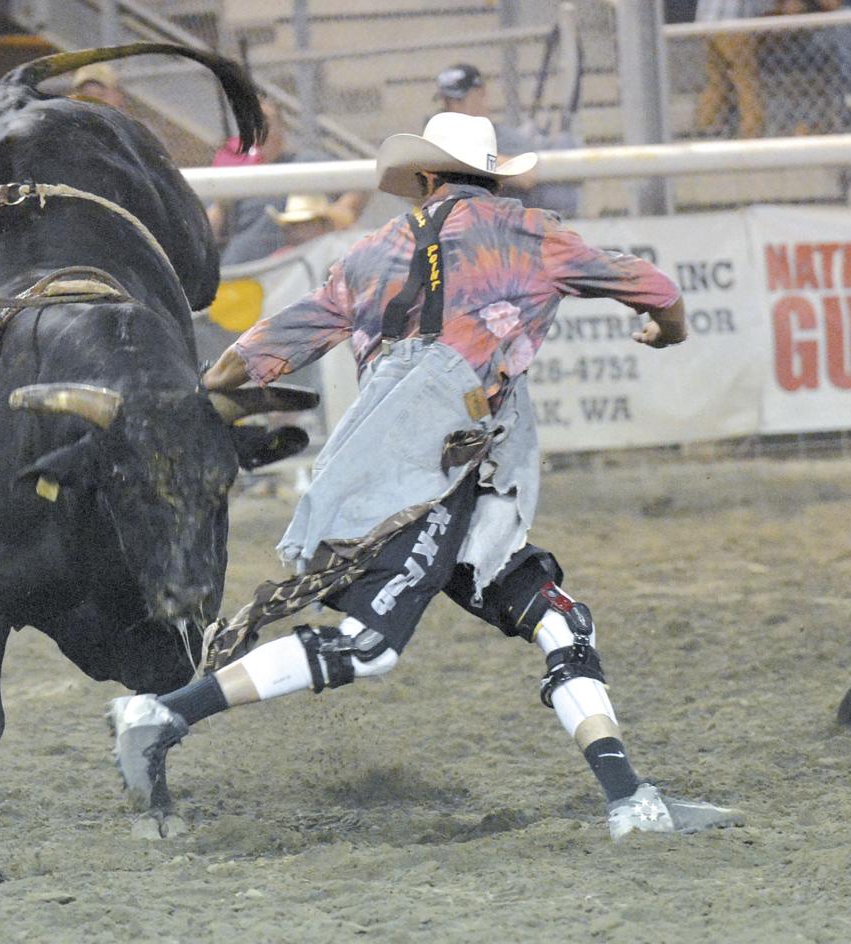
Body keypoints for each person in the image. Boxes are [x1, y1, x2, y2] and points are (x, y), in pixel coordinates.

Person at [108, 111, 744, 839]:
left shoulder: (365, 256)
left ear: (427, 178)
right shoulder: (531, 234)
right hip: (443, 472)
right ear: (492, 175)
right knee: (369, 646)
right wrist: (665, 332)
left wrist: (197, 406)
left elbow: (249, 358)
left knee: (558, 621)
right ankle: (160, 714)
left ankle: (632, 801)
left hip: (415, 475)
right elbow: (658, 291)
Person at [207, 96, 368, 266]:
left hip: (292, 272)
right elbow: (210, 229)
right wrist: (222, 196)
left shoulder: (306, 163)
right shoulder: (238, 173)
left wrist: (335, 219)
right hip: (239, 274)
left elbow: (360, 185)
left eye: (266, 121)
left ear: (282, 128)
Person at [434, 63, 581, 218]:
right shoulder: (443, 138)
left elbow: (526, 176)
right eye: (447, 101)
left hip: (512, 227)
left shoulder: (503, 138)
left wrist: (462, 160)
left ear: (481, 92)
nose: (452, 108)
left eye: (459, 100)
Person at [693, 0, 776, 139]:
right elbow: (766, 8)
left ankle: (704, 126)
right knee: (747, 81)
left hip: (708, 23)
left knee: (717, 82)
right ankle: (752, 133)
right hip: (734, 25)